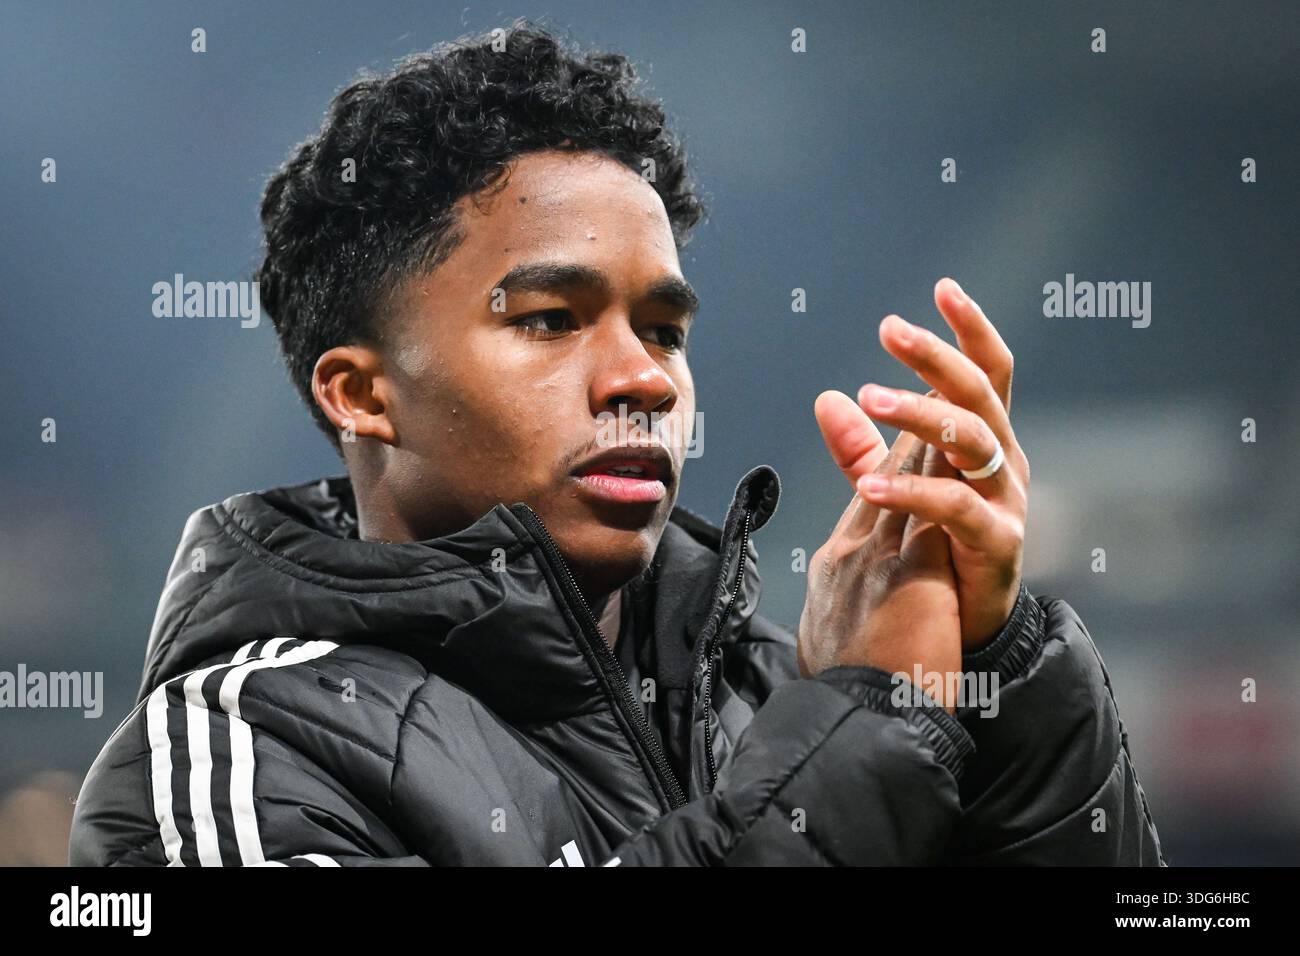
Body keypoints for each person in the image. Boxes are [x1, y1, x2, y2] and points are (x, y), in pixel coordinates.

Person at [70, 20, 1163, 866]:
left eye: (663, 328)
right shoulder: (232, 759)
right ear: (363, 395)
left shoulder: (789, 689)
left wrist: (1003, 679)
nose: (644, 377)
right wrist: (855, 741)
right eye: (549, 319)